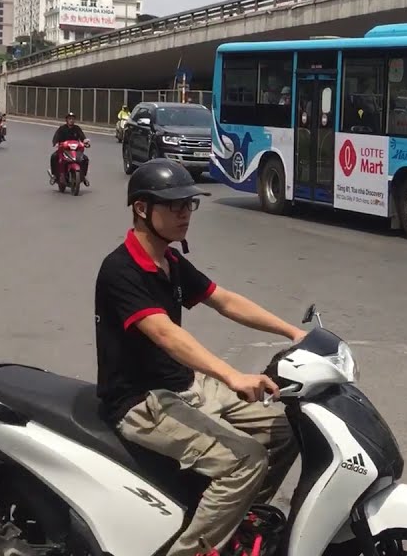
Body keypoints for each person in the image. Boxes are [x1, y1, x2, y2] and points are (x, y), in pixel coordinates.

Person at [95, 159, 304, 556]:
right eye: (174, 205)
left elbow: (223, 300)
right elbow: (165, 334)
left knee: (291, 427)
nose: (184, 214)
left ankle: (235, 517)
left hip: (185, 387)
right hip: (143, 403)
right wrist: (232, 376)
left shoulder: (170, 262)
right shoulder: (120, 269)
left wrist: (294, 332)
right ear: (142, 209)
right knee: (247, 460)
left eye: (188, 205)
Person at [50, 112, 91, 185]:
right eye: (69, 119)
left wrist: (85, 141)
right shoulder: (62, 128)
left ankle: (83, 176)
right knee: (54, 157)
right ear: (66, 120)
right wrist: (56, 143)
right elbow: (56, 137)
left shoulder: (77, 128)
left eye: (72, 119)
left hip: (75, 151)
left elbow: (82, 138)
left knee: (85, 159)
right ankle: (55, 176)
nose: (71, 120)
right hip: (63, 150)